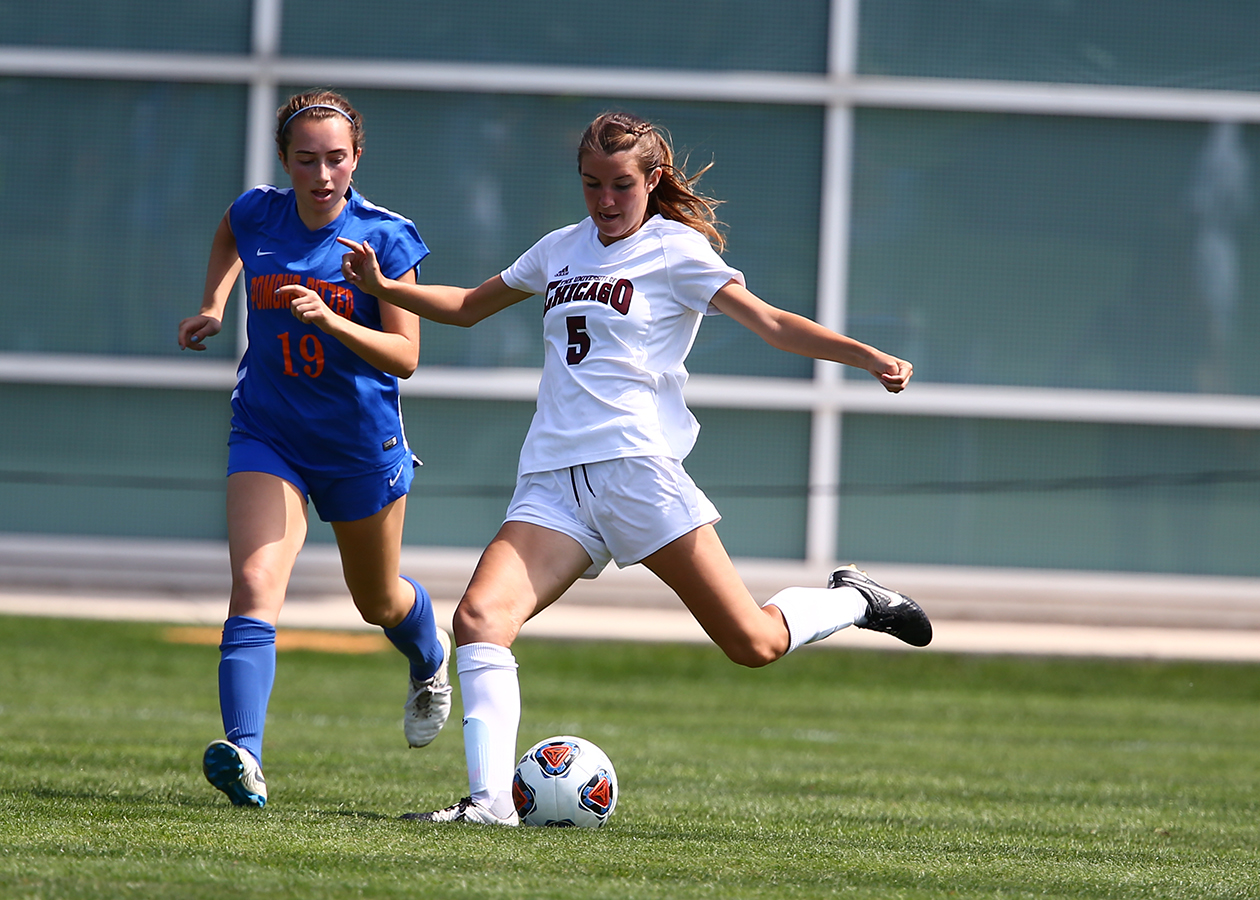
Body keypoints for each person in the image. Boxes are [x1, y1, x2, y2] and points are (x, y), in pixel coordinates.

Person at [337, 110, 932, 825]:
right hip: (554, 480)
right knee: (479, 617)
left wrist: (866, 356)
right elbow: (467, 307)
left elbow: (770, 322)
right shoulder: (560, 248)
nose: (605, 200)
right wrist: (385, 287)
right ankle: (491, 804)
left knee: (753, 642)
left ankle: (855, 599)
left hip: (637, 475)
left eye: (621, 185)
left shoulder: (675, 250)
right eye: (591, 184)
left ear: (653, 180)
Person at [176, 90, 451, 809]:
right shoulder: (258, 212)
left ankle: (429, 656)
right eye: (306, 160)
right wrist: (212, 304)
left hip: (360, 445)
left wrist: (332, 320)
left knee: (379, 600)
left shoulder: (384, 239)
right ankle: (246, 756)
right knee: (257, 583)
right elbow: (228, 236)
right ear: (285, 160)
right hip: (269, 432)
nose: (322, 174)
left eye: (335, 159)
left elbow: (405, 355)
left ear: (357, 158)